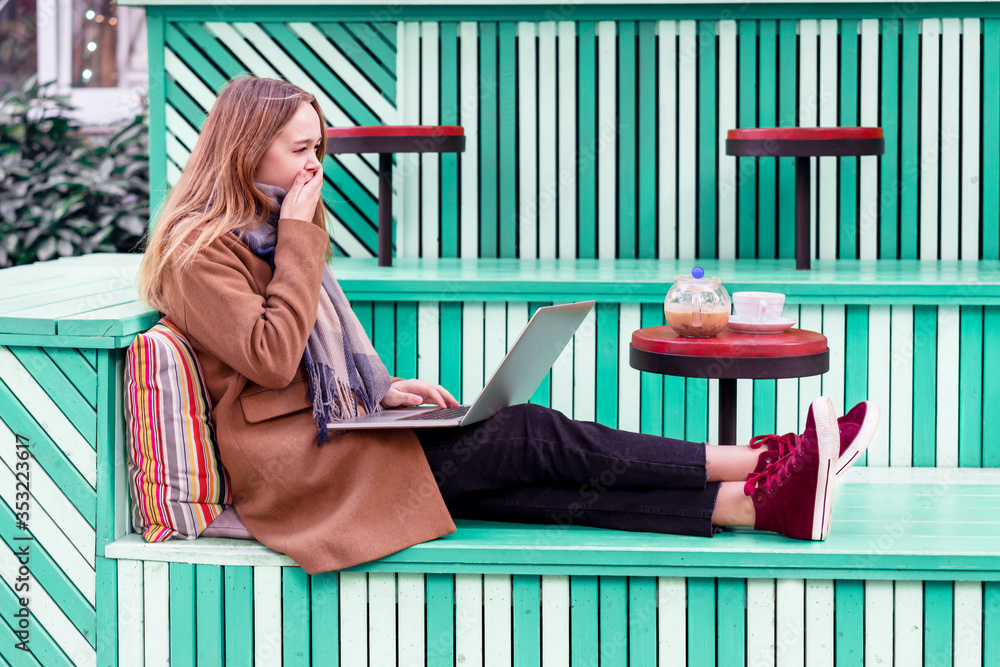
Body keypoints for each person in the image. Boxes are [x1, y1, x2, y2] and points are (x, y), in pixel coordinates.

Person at [136, 76, 880, 575]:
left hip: (342, 439)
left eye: (318, 151)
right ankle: (765, 459)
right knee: (530, 434)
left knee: (533, 484)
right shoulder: (199, 252)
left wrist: (386, 390)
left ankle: (759, 504)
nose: (314, 170)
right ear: (244, 149)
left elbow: (308, 357)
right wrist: (302, 237)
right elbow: (269, 357)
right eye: (301, 152)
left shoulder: (273, 229)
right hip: (300, 470)